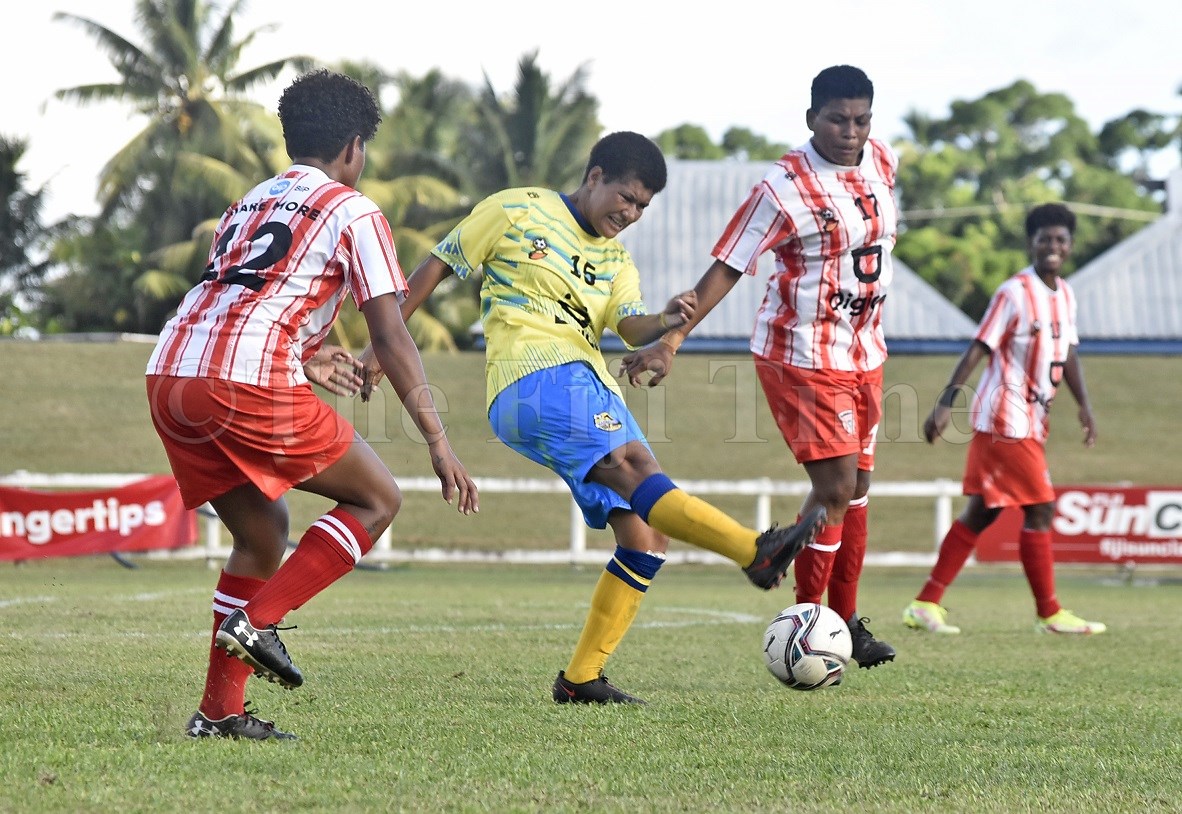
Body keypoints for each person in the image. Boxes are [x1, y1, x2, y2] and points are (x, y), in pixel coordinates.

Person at [361, 130, 825, 705]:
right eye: (626, 198)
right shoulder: (515, 208)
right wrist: (381, 346)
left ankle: (581, 678)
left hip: (591, 384)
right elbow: (433, 268)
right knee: (631, 466)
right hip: (532, 377)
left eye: (642, 208)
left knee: (645, 536)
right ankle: (754, 552)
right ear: (595, 175)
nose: (630, 214)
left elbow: (628, 326)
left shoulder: (617, 261)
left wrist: (663, 320)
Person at [145, 69, 479, 741]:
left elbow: (239, 300)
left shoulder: (251, 201)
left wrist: (302, 354)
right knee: (377, 499)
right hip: (244, 381)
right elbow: (390, 331)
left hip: (170, 374)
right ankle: (258, 623)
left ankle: (218, 715)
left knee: (262, 533)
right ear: (355, 147)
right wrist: (439, 442)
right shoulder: (353, 209)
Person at [620, 65, 898, 672]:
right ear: (811, 119)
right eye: (837, 120)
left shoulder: (883, 160)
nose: (850, 132)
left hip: (866, 351)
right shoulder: (782, 187)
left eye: (861, 120)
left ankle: (846, 622)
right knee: (834, 489)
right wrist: (672, 339)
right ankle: (808, 625)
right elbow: (728, 265)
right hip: (802, 353)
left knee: (857, 491)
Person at [902, 203, 1105, 636]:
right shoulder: (1013, 292)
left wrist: (1083, 405)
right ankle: (1049, 614)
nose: (1052, 246)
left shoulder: (1065, 294)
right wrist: (945, 402)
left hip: (1032, 419)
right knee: (1042, 507)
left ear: (1069, 246)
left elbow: (1067, 352)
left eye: (1060, 240)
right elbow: (979, 347)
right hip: (1004, 417)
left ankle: (925, 602)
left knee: (983, 513)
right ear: (1030, 243)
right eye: (1044, 239)